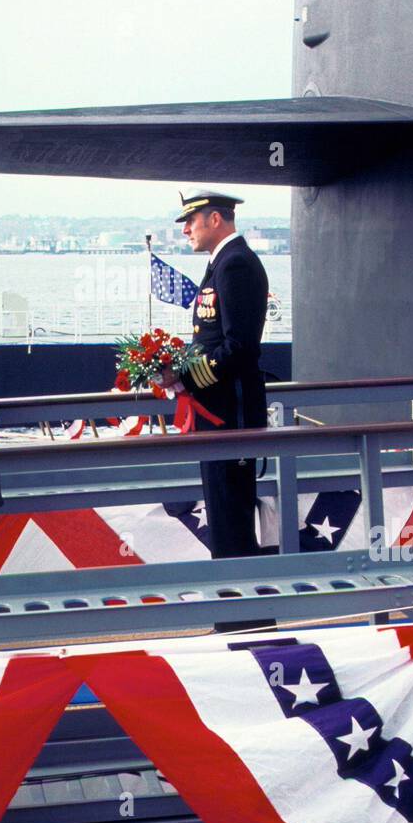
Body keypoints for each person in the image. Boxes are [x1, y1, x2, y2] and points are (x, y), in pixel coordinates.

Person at [159, 191, 269, 557]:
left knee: (232, 524)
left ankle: (244, 610)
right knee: (223, 518)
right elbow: (211, 340)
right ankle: (236, 609)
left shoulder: (235, 264)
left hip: (230, 414)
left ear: (216, 220)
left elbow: (239, 347)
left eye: (192, 221)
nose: (186, 229)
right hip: (218, 414)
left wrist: (184, 378)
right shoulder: (222, 263)